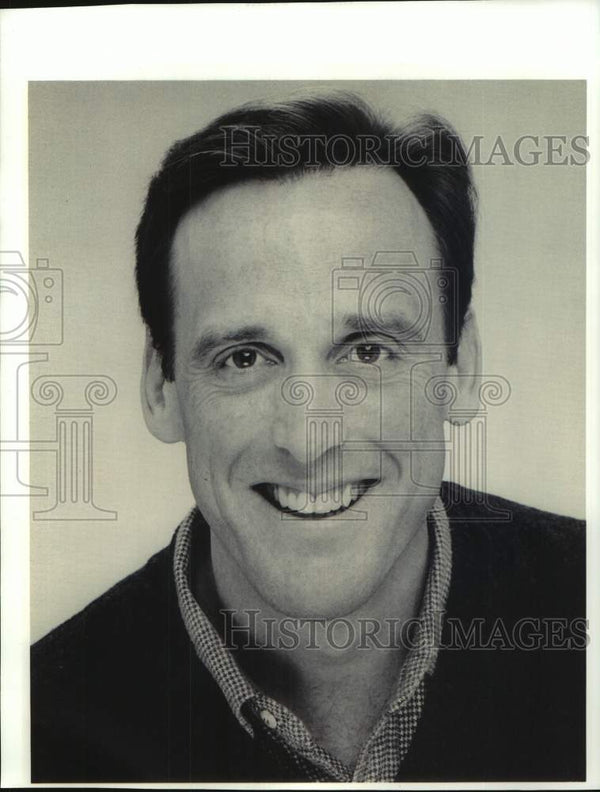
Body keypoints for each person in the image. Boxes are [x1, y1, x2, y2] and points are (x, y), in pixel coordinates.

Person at [30, 93, 585, 782]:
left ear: (460, 369)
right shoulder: (37, 730)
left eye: (368, 351)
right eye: (244, 358)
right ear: (160, 388)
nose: (307, 441)